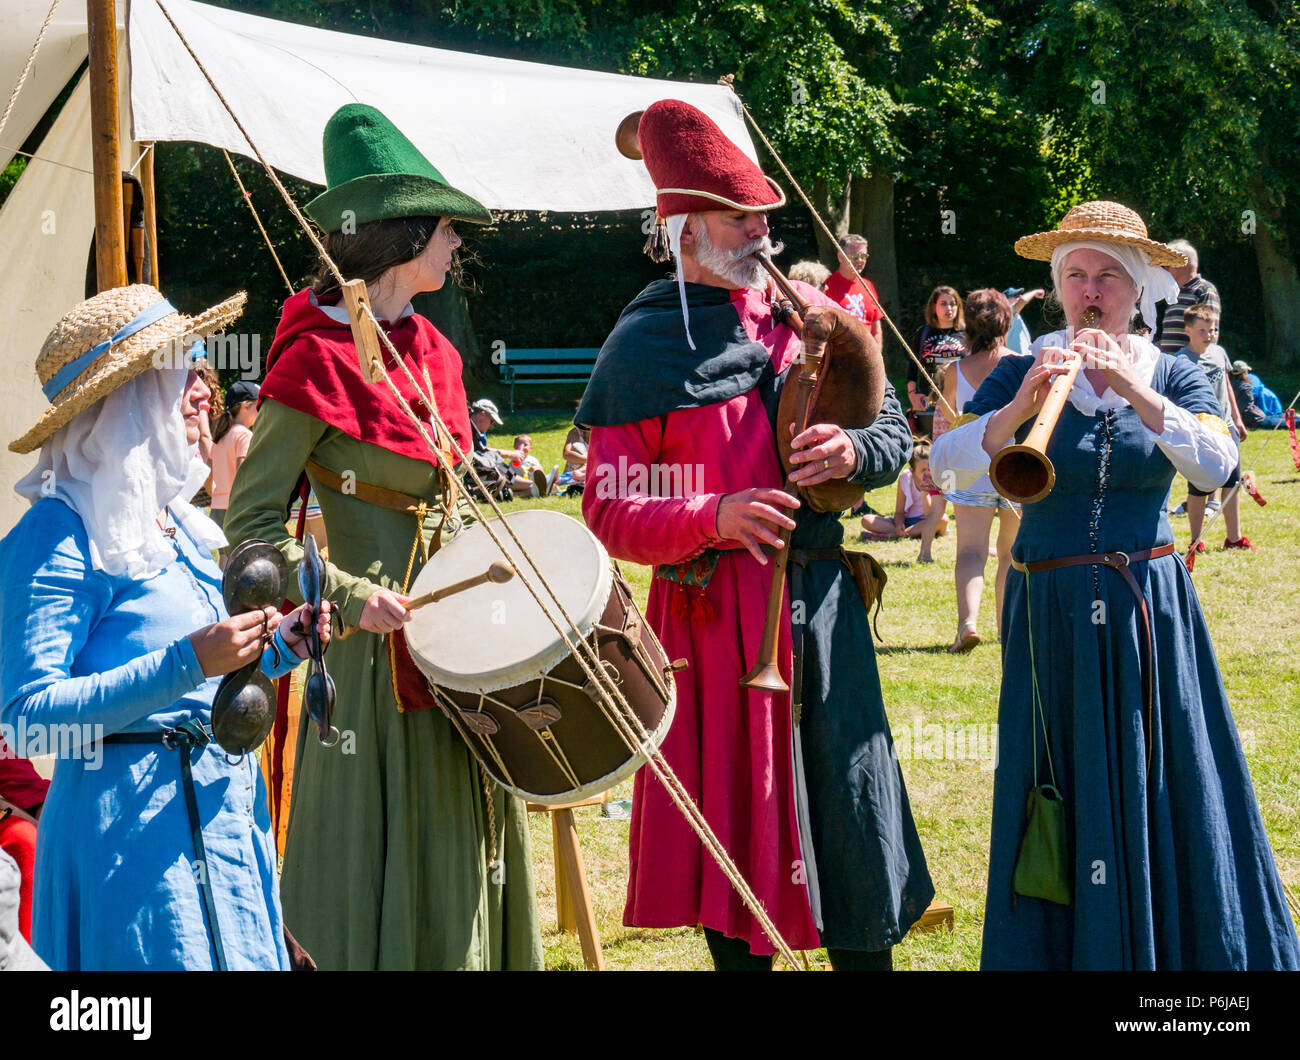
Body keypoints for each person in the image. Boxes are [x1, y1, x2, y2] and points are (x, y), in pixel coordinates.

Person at [580, 99, 932, 971]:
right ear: (685, 226)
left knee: (850, 810)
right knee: (736, 829)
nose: (760, 231)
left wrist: (856, 444)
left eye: (764, 214)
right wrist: (713, 517)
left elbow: (891, 431)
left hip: (824, 600)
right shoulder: (643, 344)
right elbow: (609, 507)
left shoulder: (809, 313)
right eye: (741, 216)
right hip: (714, 620)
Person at [931, 201, 1299, 969]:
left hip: (1147, 611)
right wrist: (1025, 403)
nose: (1089, 291)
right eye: (1074, 276)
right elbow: (949, 465)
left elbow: (1218, 464)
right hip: (1050, 608)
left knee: (1165, 771)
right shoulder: (1016, 369)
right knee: (1055, 776)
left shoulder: (1174, 368)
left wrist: (1135, 391)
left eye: (1105, 276)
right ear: (1059, 287)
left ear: (1136, 290)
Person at [224, 104, 541, 970]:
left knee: (469, 844)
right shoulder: (310, 363)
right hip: (366, 666)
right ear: (401, 237)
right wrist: (355, 601)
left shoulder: (434, 351)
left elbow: (456, 495)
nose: (455, 244)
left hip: (457, 645)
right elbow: (247, 539)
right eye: (443, 229)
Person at [0, 284, 330, 970]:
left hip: (222, 822)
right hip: (126, 846)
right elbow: (27, 721)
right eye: (180, 368)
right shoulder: (58, 532)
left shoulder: (175, 523)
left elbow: (194, 672)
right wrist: (185, 662)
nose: (204, 387)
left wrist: (274, 648)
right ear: (123, 399)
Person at [937, 289, 1020, 652]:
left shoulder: (954, 371)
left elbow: (951, 421)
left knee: (970, 550)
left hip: (972, 468)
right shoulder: (1022, 363)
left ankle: (967, 624)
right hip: (1018, 468)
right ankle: (1007, 629)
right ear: (1007, 321)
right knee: (1010, 553)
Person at [1174, 304, 1253, 553]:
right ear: (1188, 330)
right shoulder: (1180, 360)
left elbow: (1227, 386)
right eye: (1203, 330)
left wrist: (1237, 419)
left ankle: (1234, 538)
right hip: (1200, 429)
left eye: (1213, 330)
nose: (1209, 335)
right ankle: (1196, 540)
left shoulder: (1219, 353)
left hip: (1226, 425)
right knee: (1200, 485)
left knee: (1232, 481)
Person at [860, 441, 948, 560]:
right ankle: (902, 533)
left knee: (942, 520)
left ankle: (891, 536)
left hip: (926, 522)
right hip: (908, 521)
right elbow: (899, 511)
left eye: (930, 469)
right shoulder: (905, 478)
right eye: (923, 470)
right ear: (912, 470)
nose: (928, 473)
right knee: (866, 520)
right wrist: (899, 525)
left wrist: (924, 492)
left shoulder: (934, 480)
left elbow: (930, 515)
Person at [907, 285, 968, 435]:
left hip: (960, 401)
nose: (949, 308)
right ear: (934, 307)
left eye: (953, 304)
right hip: (929, 402)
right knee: (930, 450)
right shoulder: (923, 333)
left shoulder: (967, 333)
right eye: (943, 304)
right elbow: (913, 366)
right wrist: (912, 394)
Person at [209, 379, 259, 547]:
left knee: (225, 561)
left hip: (217, 507)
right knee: (240, 559)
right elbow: (242, 473)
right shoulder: (245, 435)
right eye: (258, 405)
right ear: (245, 406)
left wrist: (214, 494)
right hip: (236, 508)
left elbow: (208, 471)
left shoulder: (220, 436)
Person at [1157, 238, 1220, 354]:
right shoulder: (1174, 293)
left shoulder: (1204, 290)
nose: (1165, 268)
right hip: (1172, 367)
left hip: (1189, 369)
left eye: (1168, 264)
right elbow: (1173, 337)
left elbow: (1210, 336)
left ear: (1181, 264)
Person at [823, 235, 883, 346]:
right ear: (841, 257)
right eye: (855, 256)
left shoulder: (868, 286)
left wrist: (877, 359)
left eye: (863, 256)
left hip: (867, 356)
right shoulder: (827, 287)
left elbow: (877, 330)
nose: (860, 260)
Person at [1230, 359, 1286, 430]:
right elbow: (1245, 409)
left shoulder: (1228, 386)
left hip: (1252, 418)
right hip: (1255, 420)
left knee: (1277, 417)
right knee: (1282, 421)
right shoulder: (1246, 387)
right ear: (1244, 372)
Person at [1003, 286, 1044, 357]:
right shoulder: (1008, 312)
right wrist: (1035, 292)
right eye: (1015, 295)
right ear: (1005, 300)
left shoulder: (1010, 315)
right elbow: (1023, 300)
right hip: (1019, 358)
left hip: (1022, 358)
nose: (1020, 296)